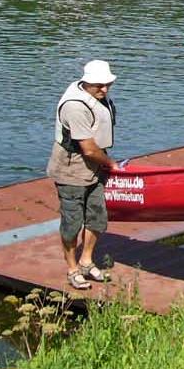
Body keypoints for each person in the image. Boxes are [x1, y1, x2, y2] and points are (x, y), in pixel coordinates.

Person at [46, 60, 119, 291]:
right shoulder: (75, 107)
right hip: (72, 170)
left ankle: (86, 261)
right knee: (72, 222)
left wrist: (104, 163)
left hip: (95, 168)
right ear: (86, 82)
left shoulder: (98, 96)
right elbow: (88, 148)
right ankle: (73, 269)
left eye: (108, 84)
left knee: (97, 217)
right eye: (99, 85)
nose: (105, 89)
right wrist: (112, 164)